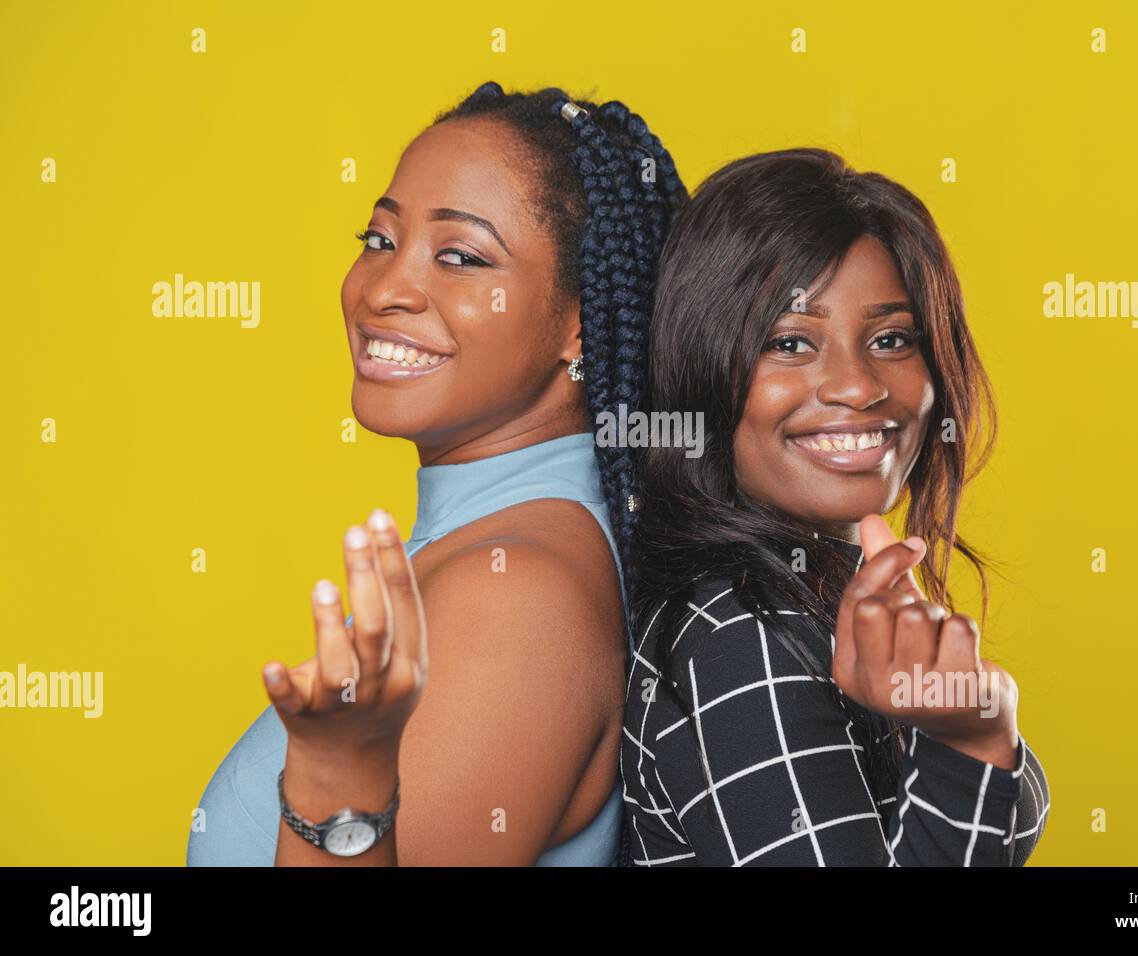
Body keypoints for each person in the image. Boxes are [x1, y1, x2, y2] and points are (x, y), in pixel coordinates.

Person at [187, 81, 686, 866]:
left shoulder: (513, 595)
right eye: (379, 239)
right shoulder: (509, 545)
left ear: (579, 318)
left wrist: (333, 786)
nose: (383, 290)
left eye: (460, 257)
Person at [620, 148, 1050, 865]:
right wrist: (967, 742)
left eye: (890, 339)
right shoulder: (743, 635)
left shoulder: (826, 590)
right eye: (790, 343)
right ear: (701, 369)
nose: (857, 386)